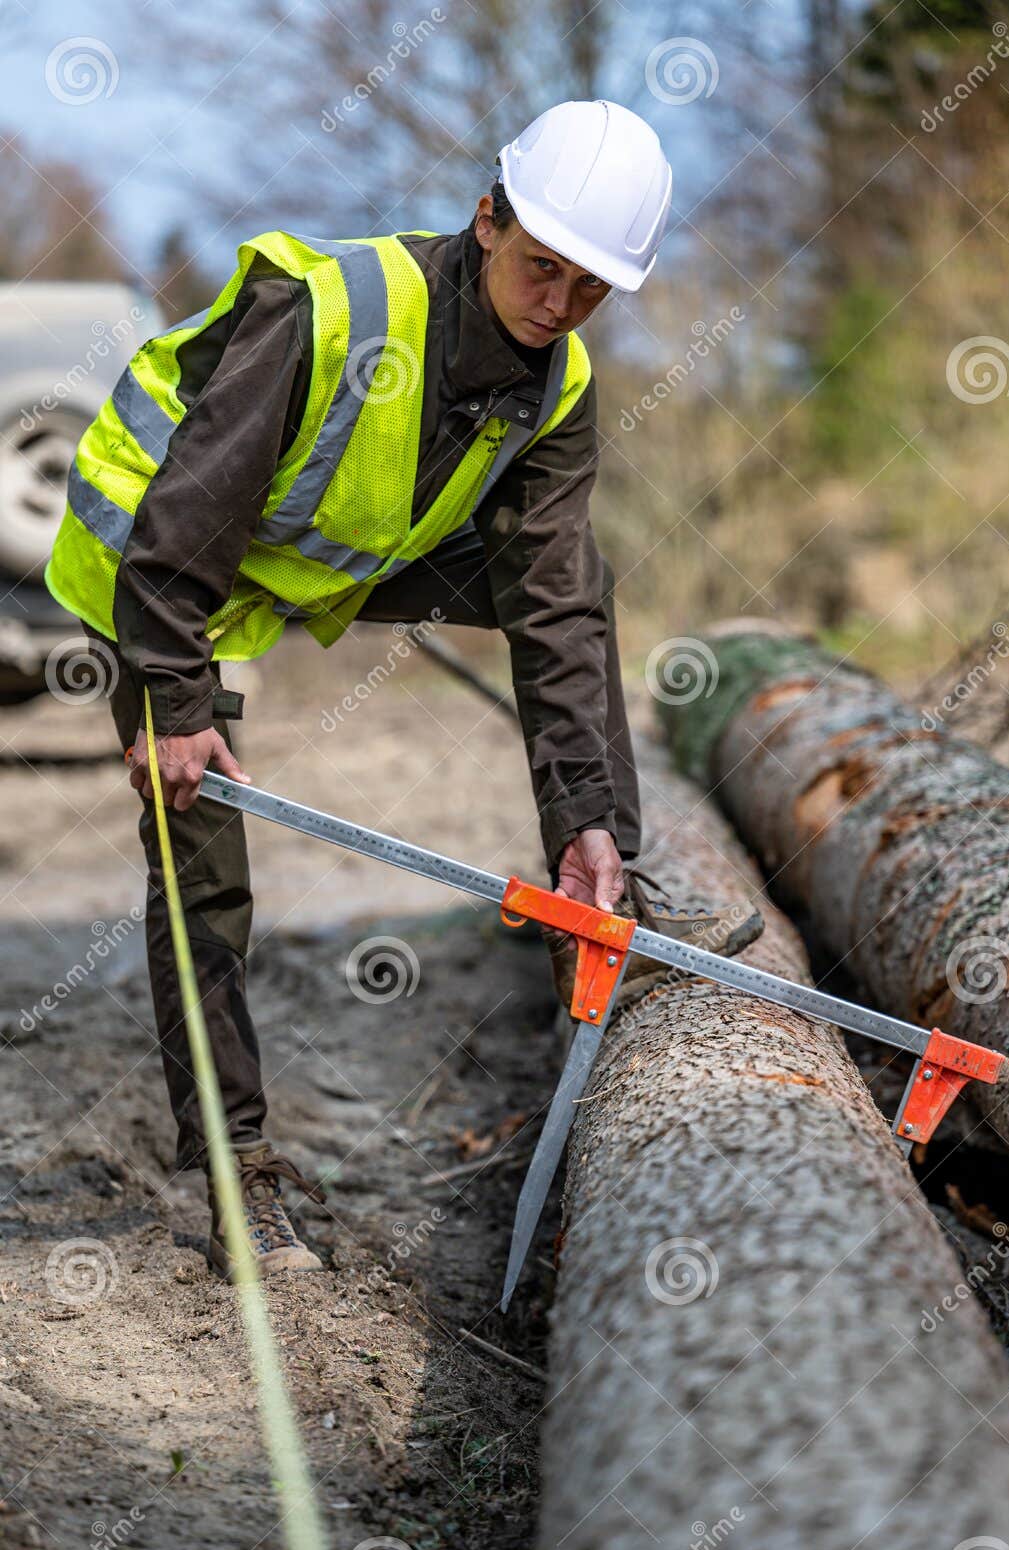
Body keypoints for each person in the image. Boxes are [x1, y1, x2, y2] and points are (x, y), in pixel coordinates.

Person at [45, 99, 762, 1279]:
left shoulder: (557, 386)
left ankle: (602, 864)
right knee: (202, 863)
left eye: (592, 289)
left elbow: (554, 604)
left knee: (577, 576)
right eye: (544, 270)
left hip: (289, 544)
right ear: (489, 217)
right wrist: (172, 699)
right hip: (158, 557)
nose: (561, 306)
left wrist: (589, 816)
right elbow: (187, 512)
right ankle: (237, 1171)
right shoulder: (326, 307)